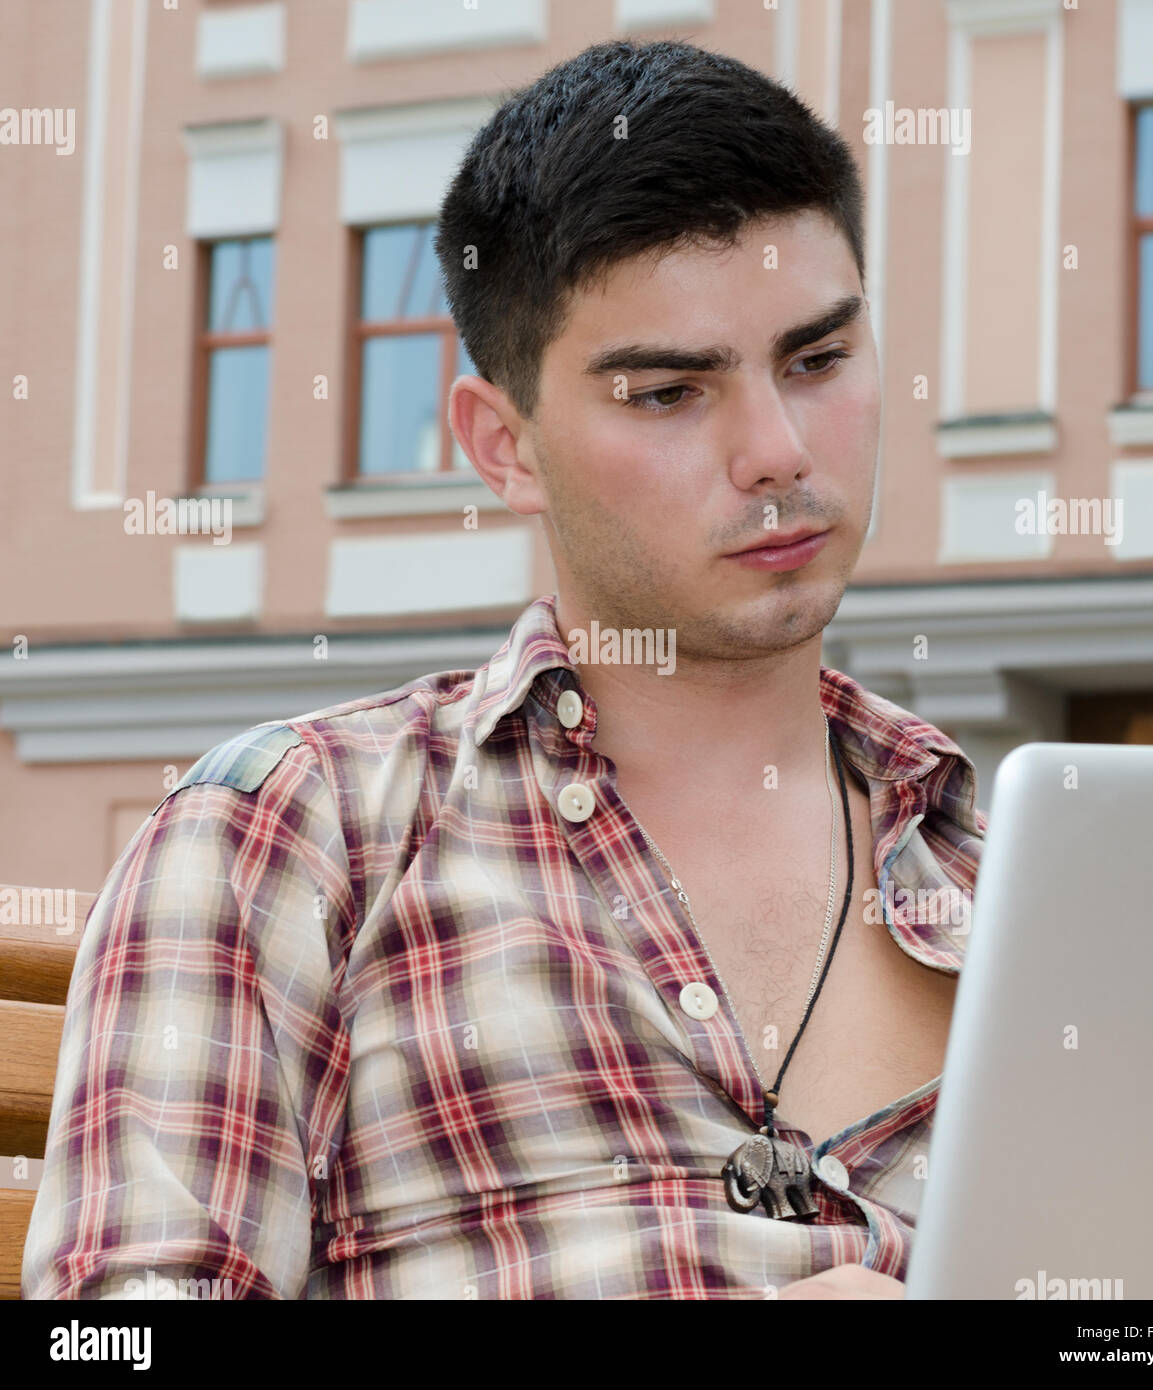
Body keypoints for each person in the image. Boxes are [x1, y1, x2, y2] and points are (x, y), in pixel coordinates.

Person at [24, 38, 984, 1301]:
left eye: (816, 360)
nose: (777, 448)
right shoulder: (289, 836)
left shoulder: (1013, 859)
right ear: (503, 445)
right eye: (665, 392)